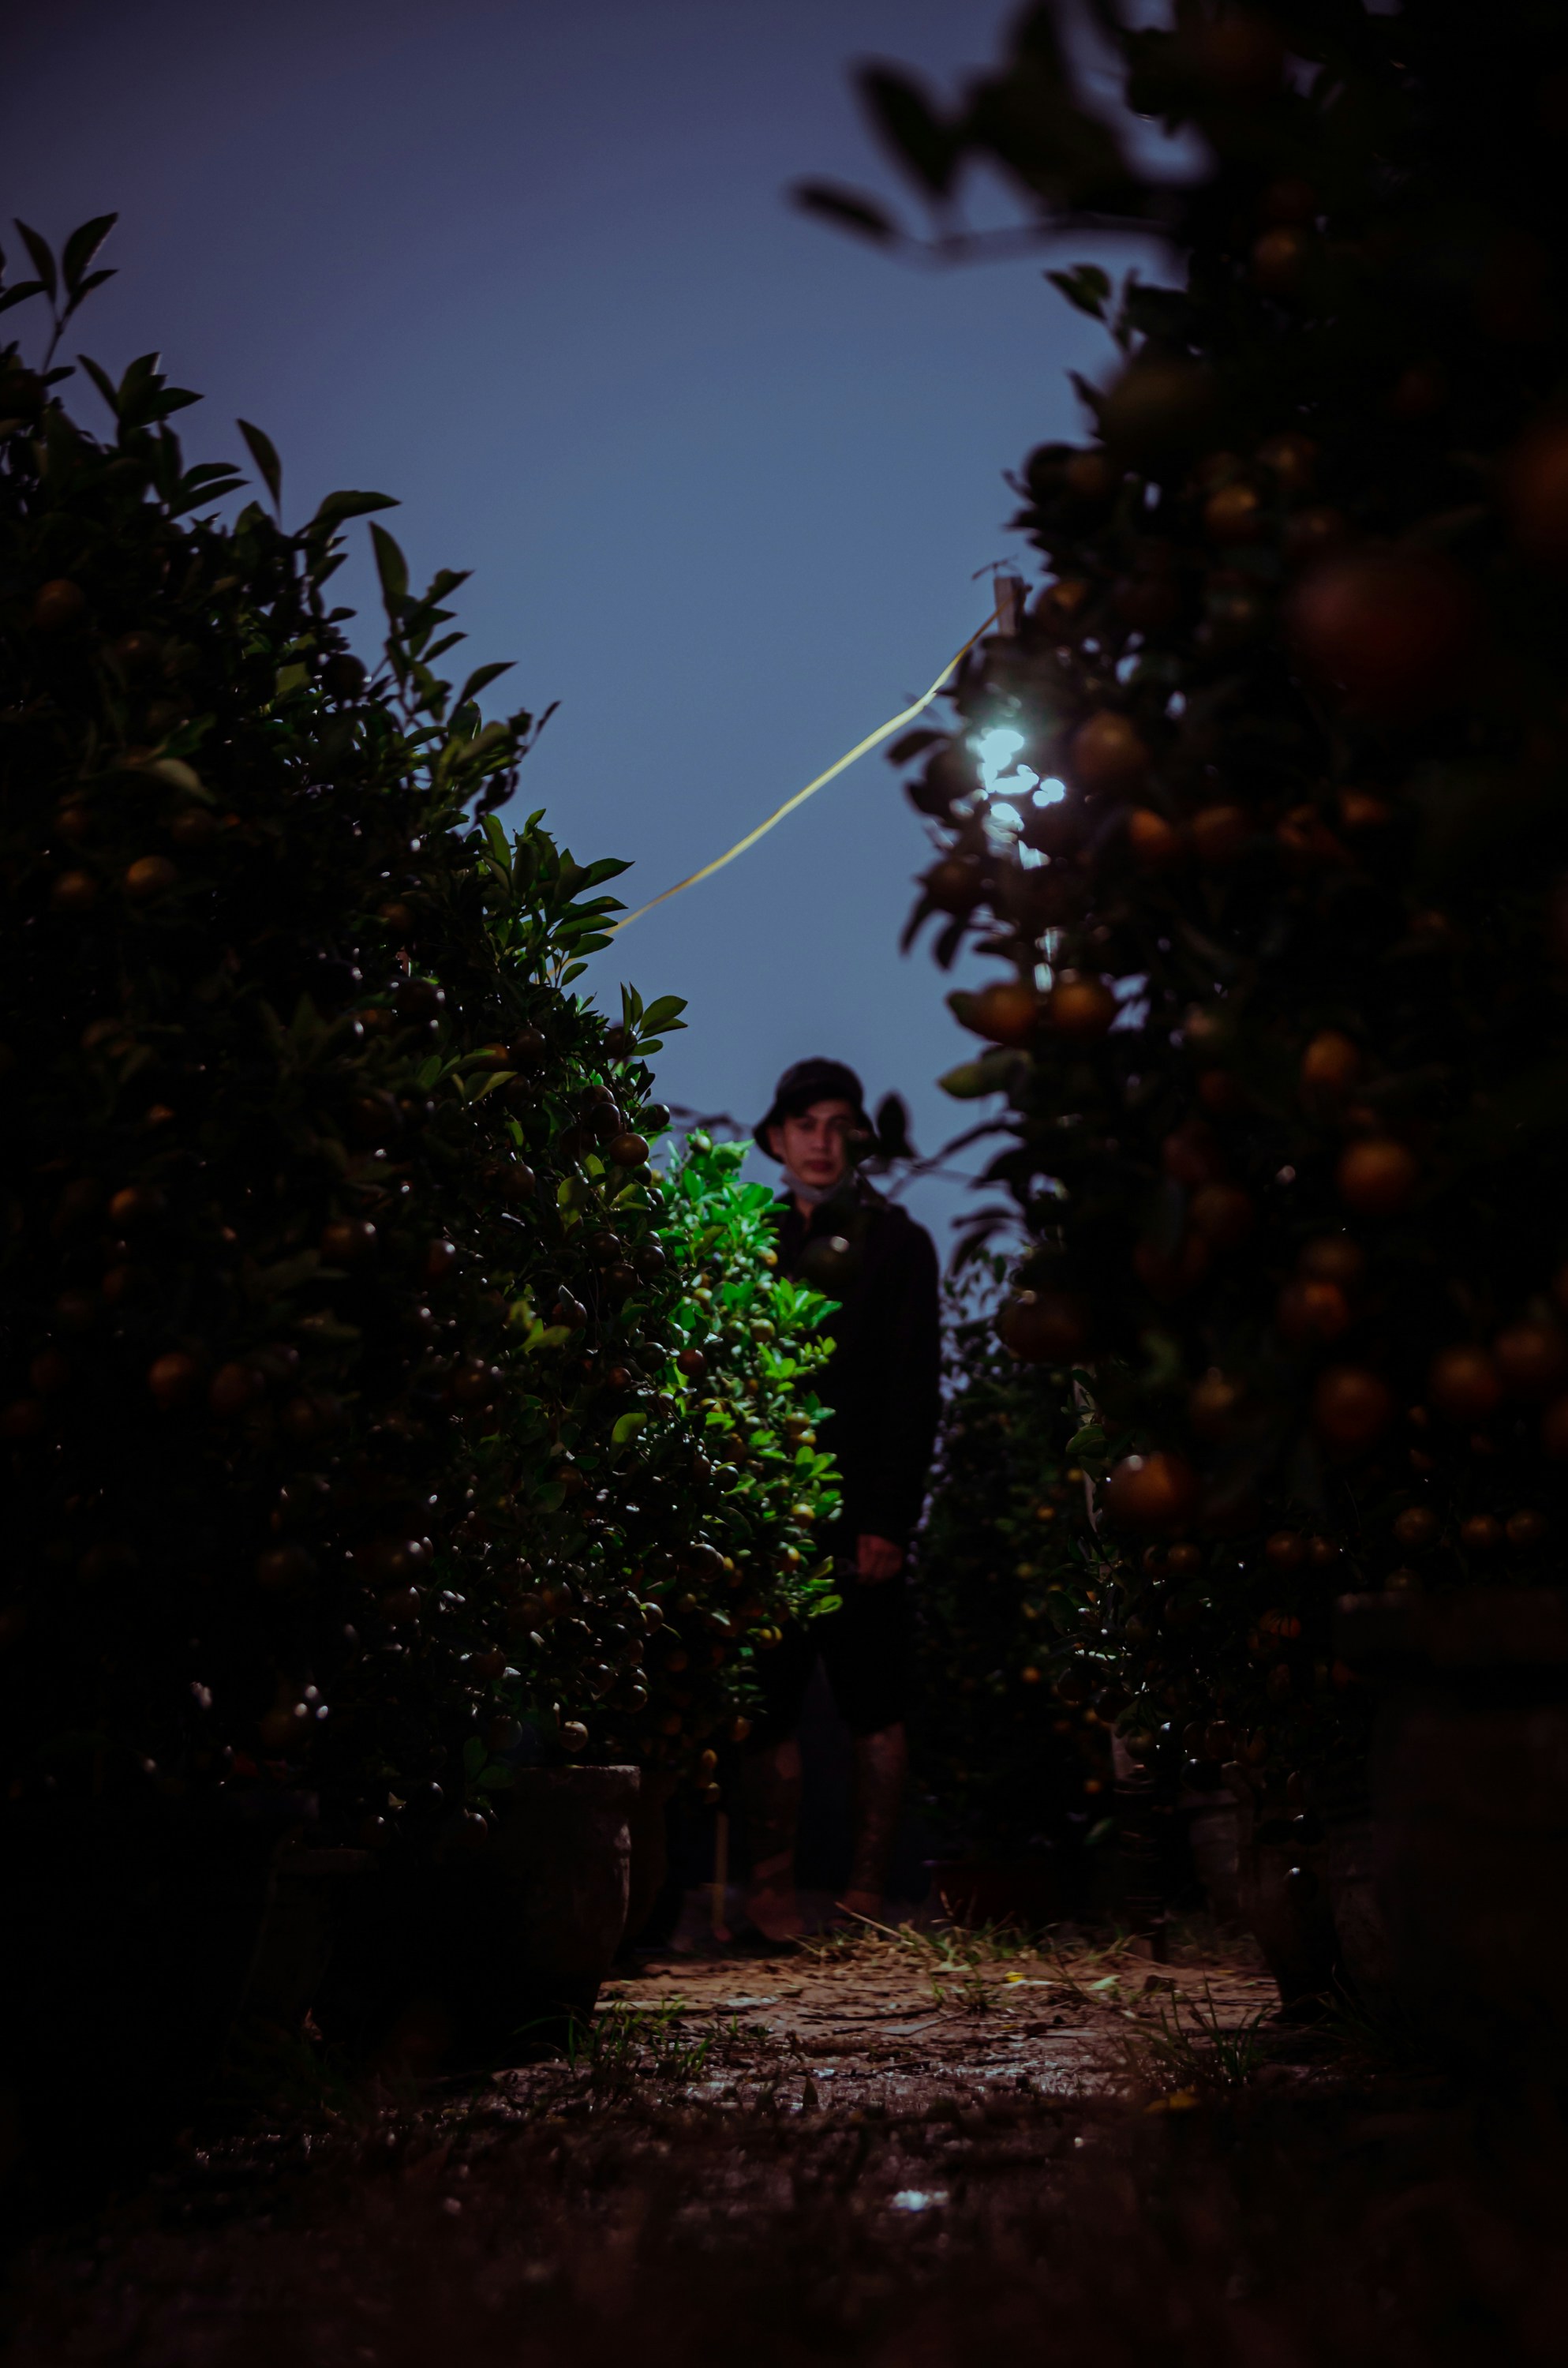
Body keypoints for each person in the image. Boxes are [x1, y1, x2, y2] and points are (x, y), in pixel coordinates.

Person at [739, 1057, 941, 1939]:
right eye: (804, 1125)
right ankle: (770, 1892)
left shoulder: (897, 1245)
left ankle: (866, 1896)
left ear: (859, 1137)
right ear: (777, 1138)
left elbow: (912, 1388)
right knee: (764, 1705)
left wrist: (888, 1520)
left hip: (862, 1514)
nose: (821, 1143)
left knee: (875, 1705)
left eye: (837, 1126)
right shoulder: (746, 1234)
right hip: (765, 1519)